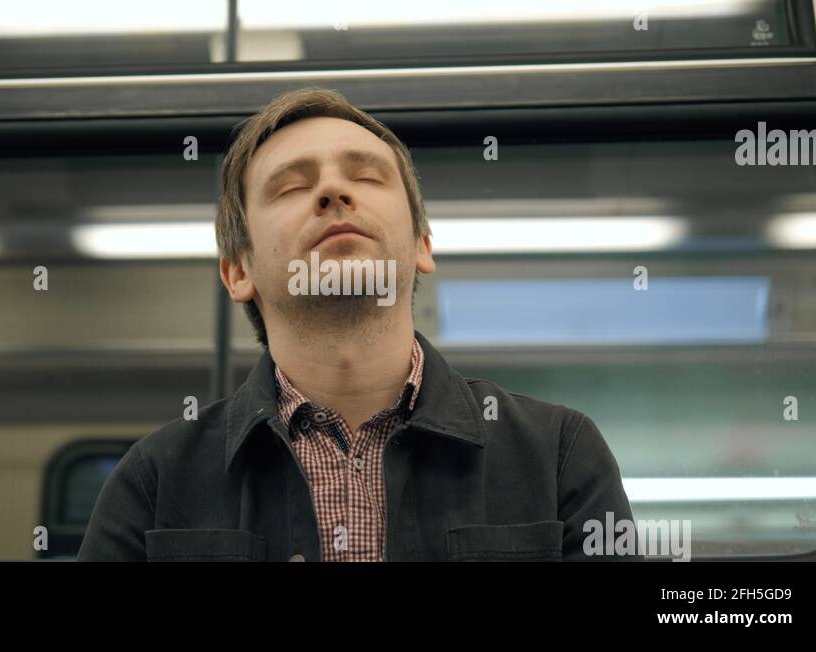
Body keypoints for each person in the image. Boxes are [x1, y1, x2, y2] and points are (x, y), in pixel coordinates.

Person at [78, 87, 638, 562]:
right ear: (239, 271)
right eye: (293, 187)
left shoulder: (558, 453)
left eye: (367, 176)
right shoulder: (153, 483)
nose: (332, 191)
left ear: (422, 244)